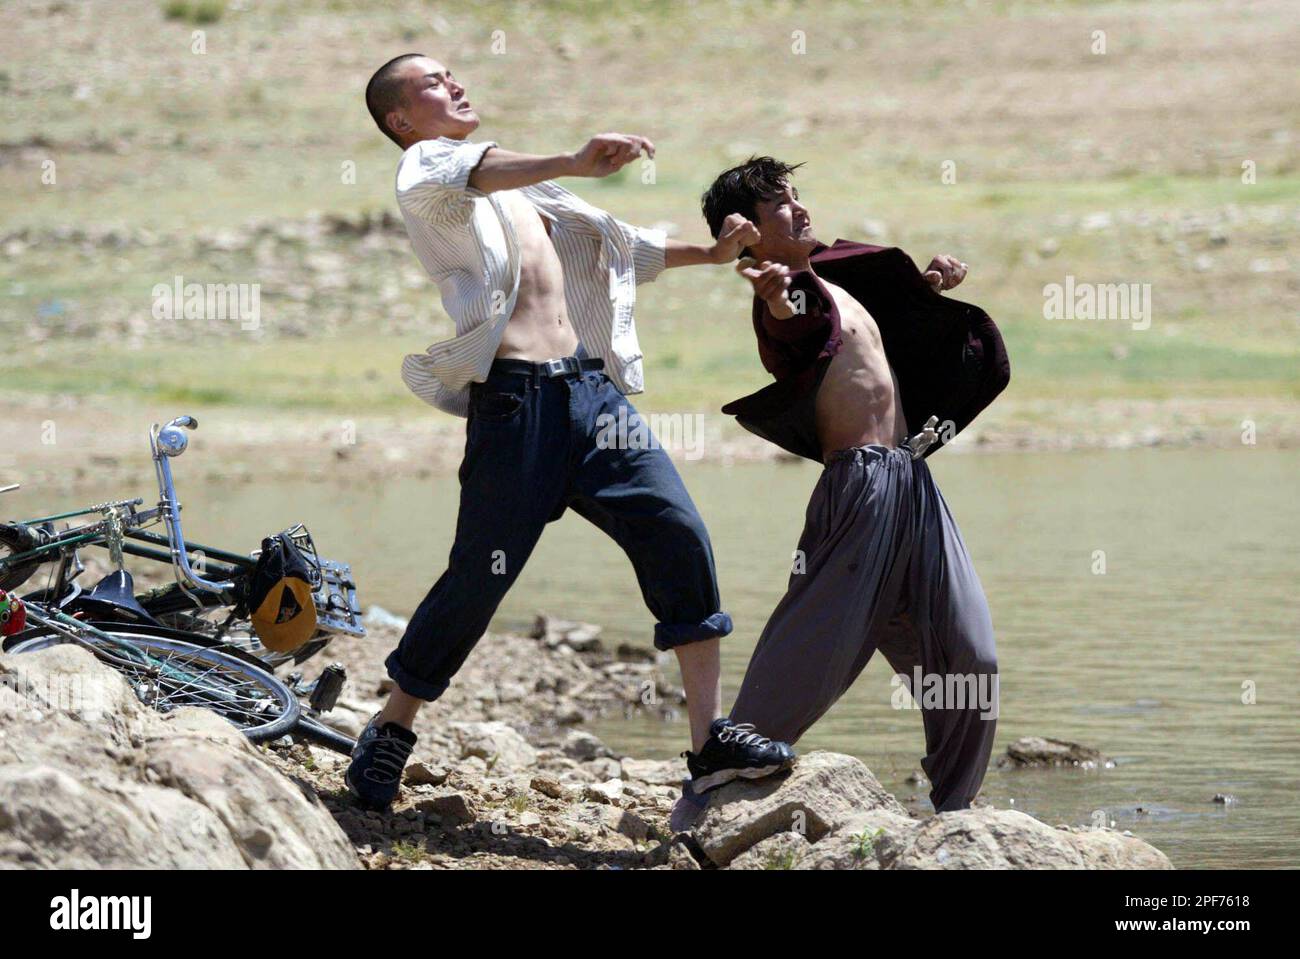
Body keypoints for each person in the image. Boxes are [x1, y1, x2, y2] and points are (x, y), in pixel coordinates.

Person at [346, 56, 793, 810]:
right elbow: (476, 169)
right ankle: (392, 726)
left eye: (454, 73)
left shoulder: (521, 186)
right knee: (479, 577)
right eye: (433, 83)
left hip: (590, 394)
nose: (454, 84)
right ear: (400, 119)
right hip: (515, 409)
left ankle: (708, 743)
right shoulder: (427, 171)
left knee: (678, 531)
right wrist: (577, 159)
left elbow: (618, 245)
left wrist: (714, 255)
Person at [698, 156, 1009, 812]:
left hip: (912, 476)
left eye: (797, 195)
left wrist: (925, 288)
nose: (800, 208)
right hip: (861, 482)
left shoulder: (838, 282)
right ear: (745, 230)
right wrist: (776, 297)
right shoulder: (786, 295)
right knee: (821, 636)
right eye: (780, 203)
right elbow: (789, 321)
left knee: (968, 652)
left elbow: (881, 343)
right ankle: (728, 760)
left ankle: (956, 808)